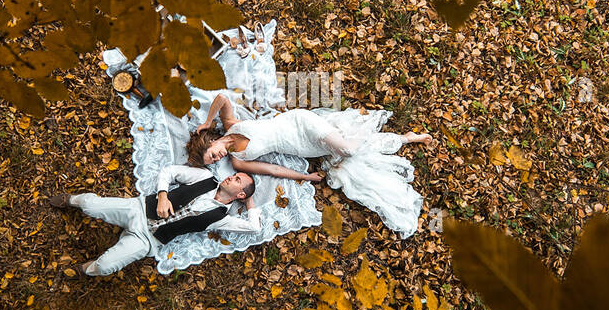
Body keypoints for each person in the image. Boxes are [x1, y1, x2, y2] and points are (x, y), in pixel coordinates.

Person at [184, 92, 435, 238]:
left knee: (348, 149)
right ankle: (405, 138)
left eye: (213, 154)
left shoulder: (230, 125)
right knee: (348, 151)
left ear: (212, 141)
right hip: (301, 146)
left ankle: (400, 138)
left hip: (299, 122)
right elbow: (273, 170)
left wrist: (207, 121)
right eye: (214, 162)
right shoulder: (239, 161)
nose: (218, 159)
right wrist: (304, 177)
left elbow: (222, 98)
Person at [48, 165, 259, 277]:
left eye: (237, 180)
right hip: (139, 210)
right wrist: (163, 195)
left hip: (148, 239)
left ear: (240, 195)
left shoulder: (222, 218)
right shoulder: (205, 177)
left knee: (104, 267)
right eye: (234, 175)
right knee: (90, 206)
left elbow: (254, 227)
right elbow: (169, 171)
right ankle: (71, 199)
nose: (231, 177)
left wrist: (250, 201)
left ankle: (84, 270)